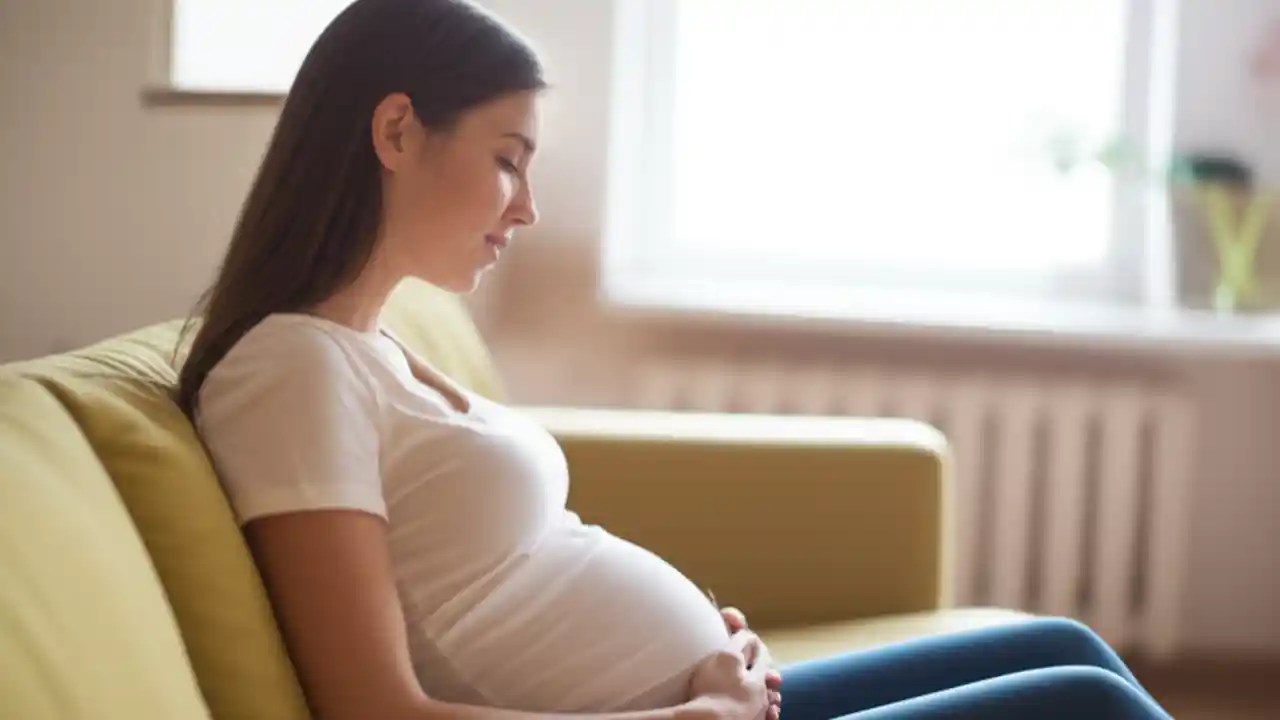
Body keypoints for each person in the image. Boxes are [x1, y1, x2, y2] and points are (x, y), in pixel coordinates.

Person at [178, 2, 1175, 719]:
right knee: (1079, 699)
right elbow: (371, 711)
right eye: (506, 158)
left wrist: (700, 644)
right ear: (396, 131)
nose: (526, 207)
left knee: (1063, 647)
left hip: (726, 695)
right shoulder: (291, 371)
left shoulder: (368, 346)